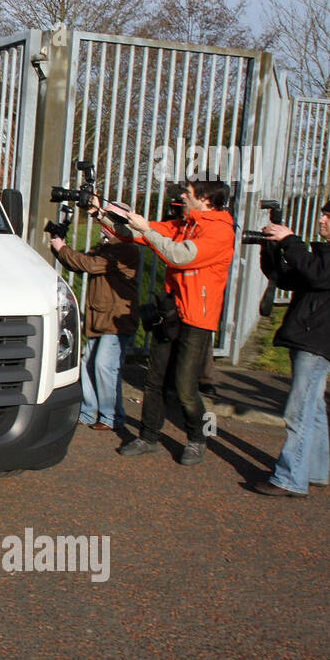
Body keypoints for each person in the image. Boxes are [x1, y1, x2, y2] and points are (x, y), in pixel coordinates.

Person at [102, 179, 235, 465]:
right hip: (170, 312)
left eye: (187, 194)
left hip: (197, 318)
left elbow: (180, 256)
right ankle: (148, 437)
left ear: (206, 200)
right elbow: (135, 235)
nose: (182, 198)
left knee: (185, 387)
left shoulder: (219, 231)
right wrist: (100, 214)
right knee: (155, 379)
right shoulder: (186, 223)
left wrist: (145, 229)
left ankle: (197, 439)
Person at [251, 198, 330, 498]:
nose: (322, 221)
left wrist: (291, 240)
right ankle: (314, 470)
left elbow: (316, 274)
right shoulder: (326, 254)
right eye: (323, 215)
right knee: (313, 408)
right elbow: (289, 278)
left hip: (321, 340)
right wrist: (272, 250)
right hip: (309, 337)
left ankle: (291, 478)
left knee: (299, 411)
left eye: (329, 217)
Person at [50, 212, 140, 433]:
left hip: (116, 319)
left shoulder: (126, 250)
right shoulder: (107, 248)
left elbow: (89, 264)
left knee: (104, 366)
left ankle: (111, 417)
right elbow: (79, 263)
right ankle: (89, 412)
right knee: (90, 364)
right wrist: (61, 247)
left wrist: (62, 248)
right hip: (101, 316)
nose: (102, 228)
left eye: (105, 225)